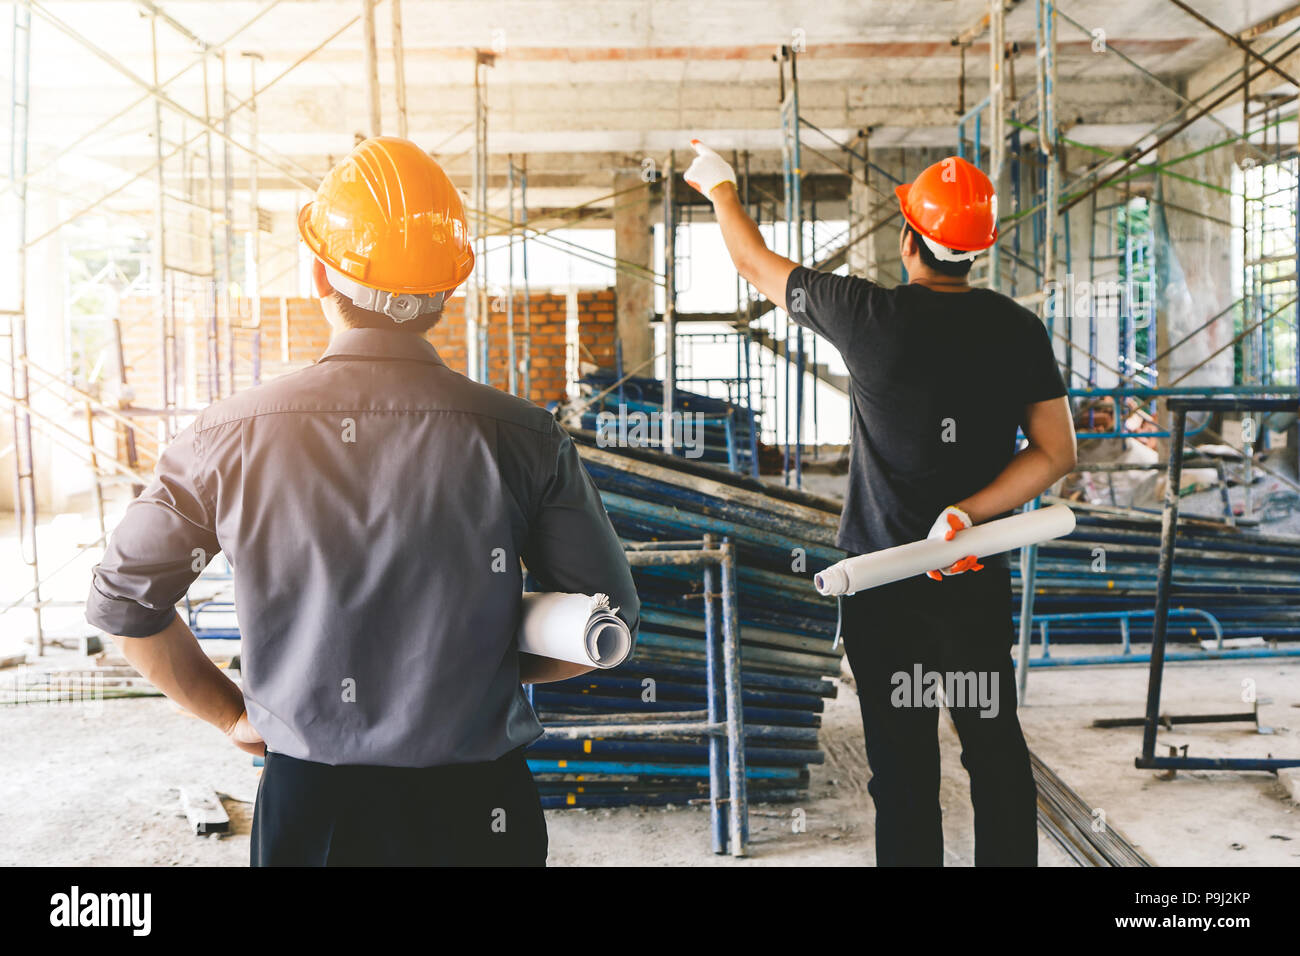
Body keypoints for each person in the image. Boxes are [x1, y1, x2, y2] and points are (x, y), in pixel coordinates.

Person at [85, 136, 639, 867]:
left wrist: (232, 716)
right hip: (481, 812)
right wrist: (479, 668)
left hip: (314, 812)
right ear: (447, 291)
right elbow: (608, 622)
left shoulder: (230, 435)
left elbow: (124, 606)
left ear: (320, 272)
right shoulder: (525, 437)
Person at [685, 141, 1076, 866]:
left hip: (882, 585)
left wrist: (721, 188)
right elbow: (1056, 454)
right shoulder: (1017, 328)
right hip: (973, 573)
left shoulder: (866, 314)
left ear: (909, 241)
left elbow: (753, 265)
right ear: (975, 250)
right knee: (994, 751)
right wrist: (969, 515)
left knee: (902, 770)